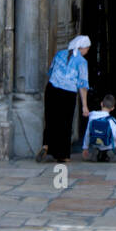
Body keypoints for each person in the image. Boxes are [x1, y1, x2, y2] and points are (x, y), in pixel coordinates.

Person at [37, 35, 91, 164]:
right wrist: (85, 105)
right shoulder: (82, 62)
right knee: (65, 123)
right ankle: (62, 155)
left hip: (51, 89)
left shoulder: (60, 53)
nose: (87, 51)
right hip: (67, 93)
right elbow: (82, 85)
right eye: (87, 48)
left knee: (51, 119)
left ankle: (46, 145)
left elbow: (51, 71)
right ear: (82, 48)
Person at [82, 94, 116, 163]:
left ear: (101, 104)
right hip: (108, 146)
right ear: (113, 108)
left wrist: (85, 148)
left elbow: (87, 133)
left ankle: (96, 153)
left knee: (96, 138)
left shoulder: (92, 117)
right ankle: (111, 155)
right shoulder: (111, 120)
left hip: (96, 144)